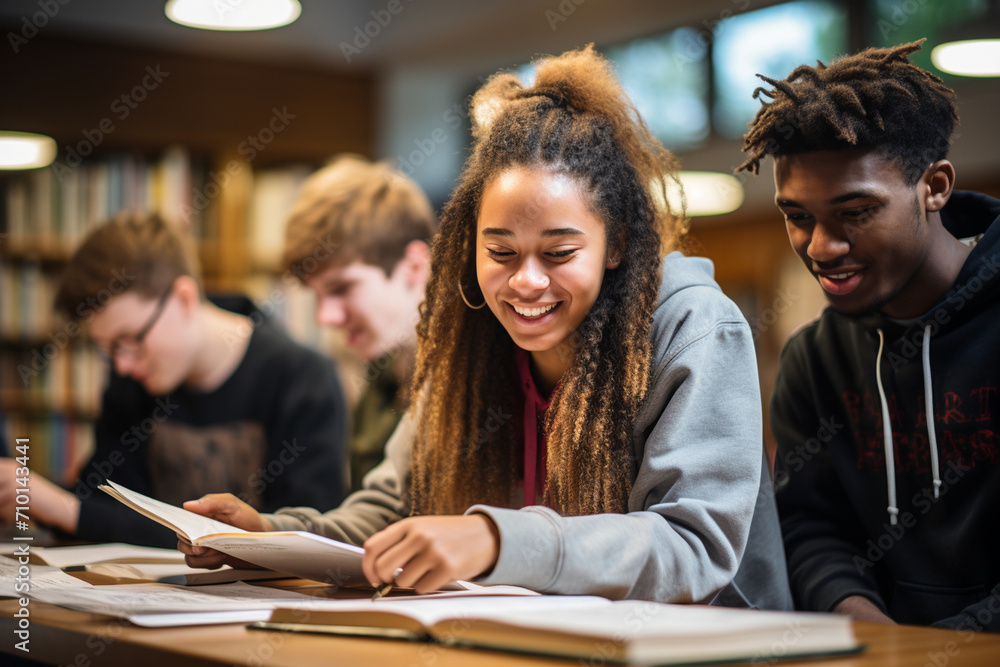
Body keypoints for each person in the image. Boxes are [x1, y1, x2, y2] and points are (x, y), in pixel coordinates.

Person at [181, 45, 792, 609]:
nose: (525, 281)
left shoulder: (693, 328)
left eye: (557, 253)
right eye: (500, 252)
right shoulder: (469, 340)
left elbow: (692, 548)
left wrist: (497, 541)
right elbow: (391, 510)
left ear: (617, 245)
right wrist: (273, 536)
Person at [738, 40, 1000, 631]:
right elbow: (810, 527)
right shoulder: (812, 360)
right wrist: (867, 629)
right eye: (798, 217)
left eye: (855, 212)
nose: (821, 247)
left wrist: (934, 650)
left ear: (934, 187)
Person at [0, 211, 349, 547]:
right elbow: (105, 504)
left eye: (131, 339)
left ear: (183, 298)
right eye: (108, 349)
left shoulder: (302, 380)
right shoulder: (134, 379)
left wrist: (67, 510)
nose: (122, 364)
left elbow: (301, 539)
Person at [282, 156, 436, 491]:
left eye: (342, 288)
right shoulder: (381, 379)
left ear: (413, 266)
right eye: (317, 295)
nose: (325, 317)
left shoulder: (478, 382)